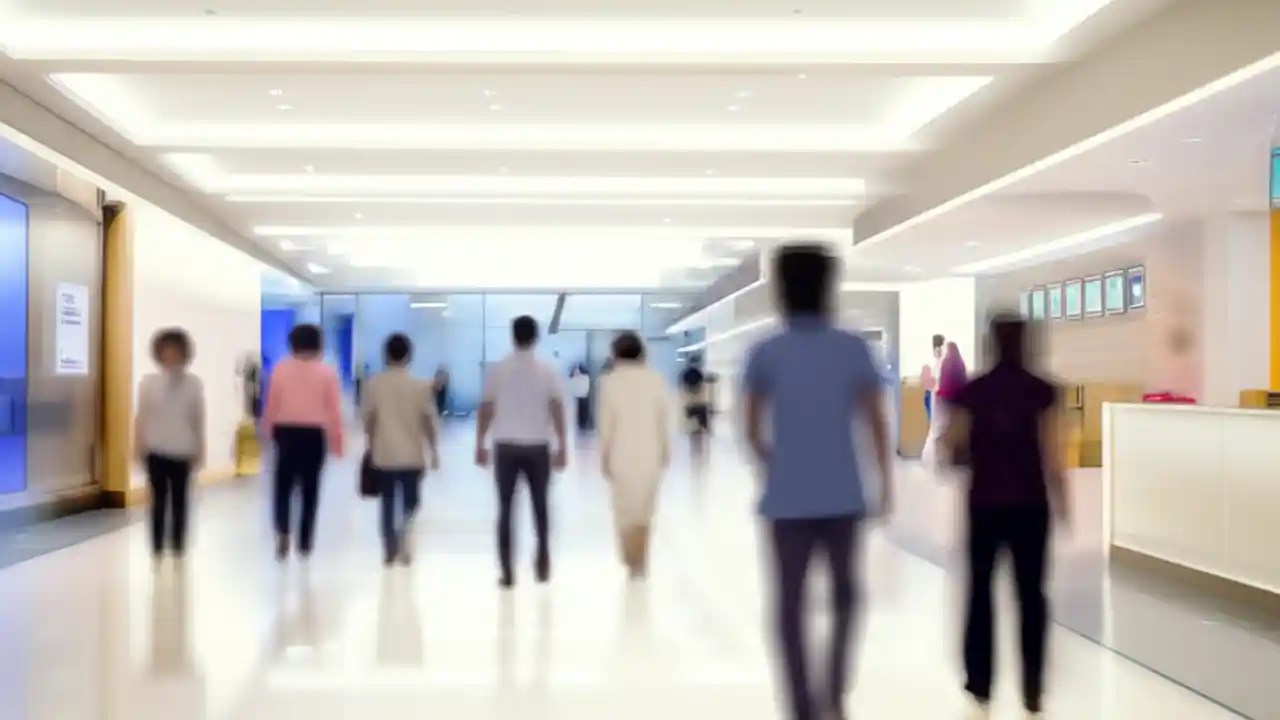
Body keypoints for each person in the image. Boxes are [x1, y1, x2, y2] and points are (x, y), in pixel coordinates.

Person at [743, 244, 892, 720]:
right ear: (829, 287)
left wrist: (776, 465)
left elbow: (750, 428)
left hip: (785, 501)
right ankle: (835, 692)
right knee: (846, 596)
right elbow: (875, 422)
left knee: (789, 604)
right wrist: (885, 482)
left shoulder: (765, 351)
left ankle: (800, 703)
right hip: (843, 495)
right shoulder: (853, 348)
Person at [944, 315, 1065, 718]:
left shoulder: (972, 391)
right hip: (1031, 505)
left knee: (980, 592)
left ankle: (980, 685)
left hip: (984, 504)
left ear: (991, 343)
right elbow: (1053, 454)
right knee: (1032, 595)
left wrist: (967, 453)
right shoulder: (1043, 391)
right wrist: (1063, 501)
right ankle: (1032, 687)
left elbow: (953, 447)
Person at [475, 315, 568, 588]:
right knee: (541, 506)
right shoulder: (547, 370)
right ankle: (542, 560)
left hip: (505, 447)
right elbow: (556, 408)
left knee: (505, 509)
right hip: (538, 446)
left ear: (512, 336)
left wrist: (480, 443)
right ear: (536, 337)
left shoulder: (498, 369)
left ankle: (507, 572)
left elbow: (486, 408)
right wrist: (562, 445)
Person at [263, 324, 344, 561]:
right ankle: (305, 542)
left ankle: (282, 532)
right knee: (310, 489)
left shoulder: (280, 369)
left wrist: (266, 432)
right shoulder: (327, 372)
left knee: (282, 487)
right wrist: (337, 441)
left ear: (292, 344)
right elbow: (333, 410)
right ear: (318, 345)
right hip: (313, 435)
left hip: (285, 432)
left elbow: (271, 404)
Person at [362, 333, 440, 566]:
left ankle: (390, 547)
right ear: (409, 355)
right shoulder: (421, 386)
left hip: (384, 453)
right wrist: (434, 450)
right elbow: (428, 421)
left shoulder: (373, 385)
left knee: (387, 501)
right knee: (412, 501)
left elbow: (368, 419)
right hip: (412, 455)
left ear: (385, 355)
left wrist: (370, 443)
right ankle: (405, 531)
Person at [598, 332, 671, 579]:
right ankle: (641, 559)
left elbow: (606, 424)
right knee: (645, 510)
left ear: (615, 354)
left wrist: (603, 456)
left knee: (624, 510)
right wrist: (666, 450)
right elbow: (664, 419)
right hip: (651, 452)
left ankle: (631, 559)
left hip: (621, 453)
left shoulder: (610, 383)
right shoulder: (656, 380)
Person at [134, 328, 205, 564]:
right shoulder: (148, 383)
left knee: (180, 500)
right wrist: (138, 444)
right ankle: (156, 546)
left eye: (176, 350)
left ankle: (178, 545)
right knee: (158, 500)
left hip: (182, 450)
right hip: (155, 449)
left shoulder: (193, 384)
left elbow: (197, 417)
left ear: (184, 353)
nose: (171, 355)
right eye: (166, 350)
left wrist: (200, 447)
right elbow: (141, 416)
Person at [923, 341, 968, 469]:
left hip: (942, 400)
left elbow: (942, 384)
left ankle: (938, 457)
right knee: (948, 429)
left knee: (939, 428)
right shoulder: (958, 364)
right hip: (956, 404)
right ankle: (947, 457)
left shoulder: (945, 363)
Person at [680, 356, 710, 461]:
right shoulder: (699, 374)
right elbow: (702, 386)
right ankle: (699, 449)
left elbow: (684, 388)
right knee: (699, 427)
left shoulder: (685, 374)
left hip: (691, 403)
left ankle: (695, 450)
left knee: (692, 427)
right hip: (699, 404)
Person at [921, 333, 944, 421]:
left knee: (934, 419)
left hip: (934, 393)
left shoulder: (939, 361)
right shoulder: (938, 361)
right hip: (934, 392)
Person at [570, 364, 592, 432]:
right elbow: (572, 389)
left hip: (583, 397)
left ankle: (583, 425)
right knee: (579, 413)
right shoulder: (573, 379)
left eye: (577, 371)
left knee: (583, 413)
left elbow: (585, 388)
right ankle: (580, 425)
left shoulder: (585, 378)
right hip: (578, 398)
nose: (576, 372)